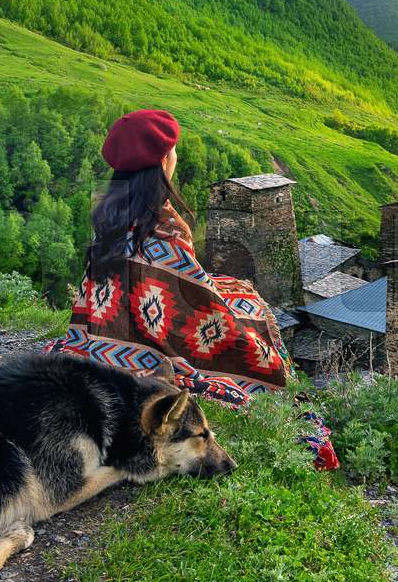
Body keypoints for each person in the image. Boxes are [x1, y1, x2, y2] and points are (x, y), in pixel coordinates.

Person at [48, 109, 336, 467]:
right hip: (155, 344)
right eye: (173, 152)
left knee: (236, 292)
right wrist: (239, 309)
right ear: (162, 162)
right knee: (251, 316)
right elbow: (196, 304)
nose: (176, 157)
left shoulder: (109, 218)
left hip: (104, 341)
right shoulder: (164, 230)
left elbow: (136, 290)